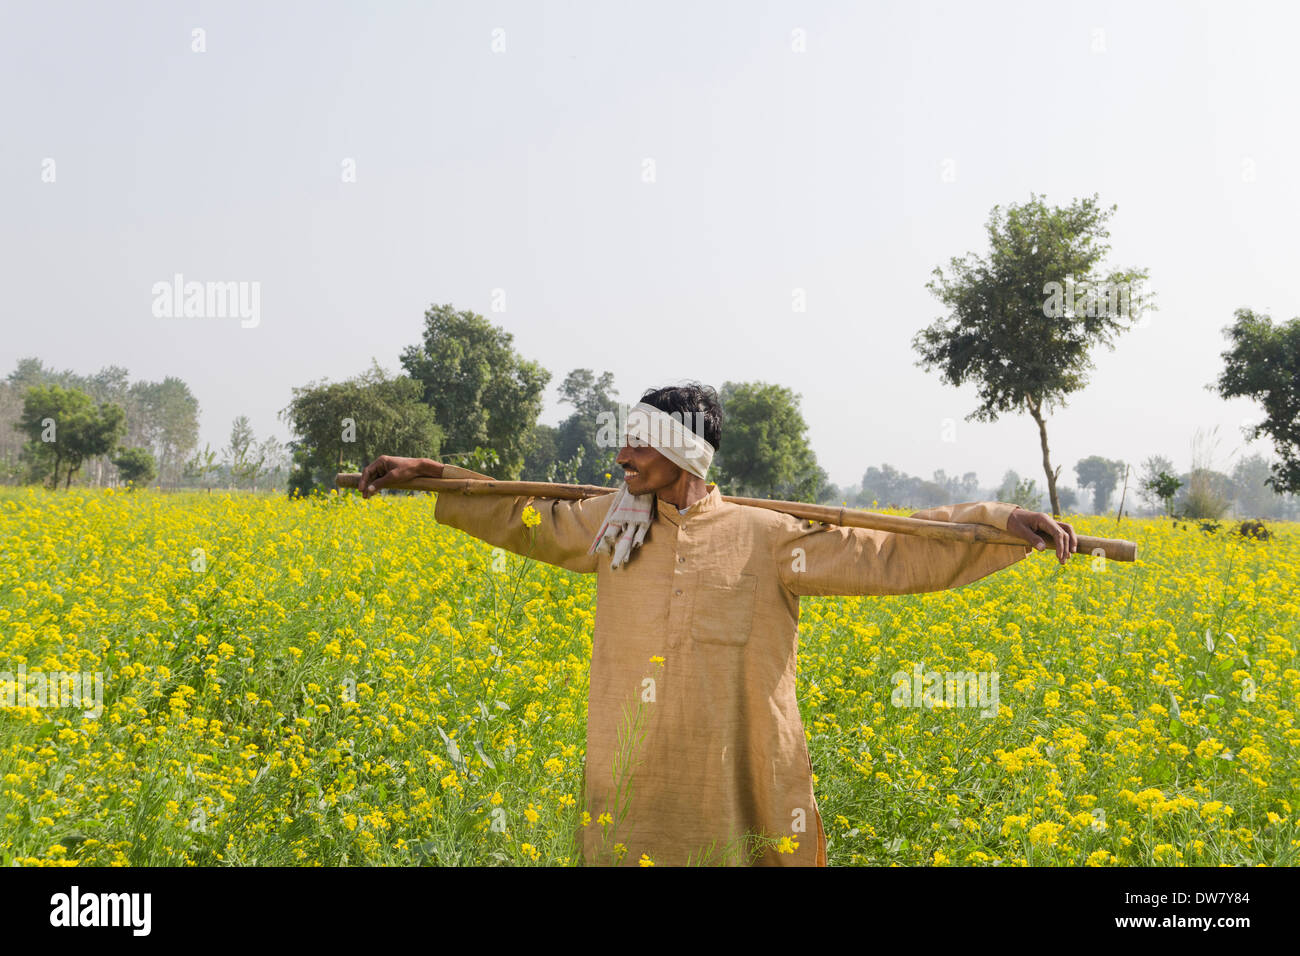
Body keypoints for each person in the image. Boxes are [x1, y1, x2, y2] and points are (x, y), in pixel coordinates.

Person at [357, 382, 1077, 865]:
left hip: (735, 777)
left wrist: (1000, 521)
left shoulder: (771, 536)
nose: (622, 456)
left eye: (639, 442)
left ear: (686, 451)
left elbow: (890, 549)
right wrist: (429, 472)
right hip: (636, 773)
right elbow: (520, 516)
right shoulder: (612, 522)